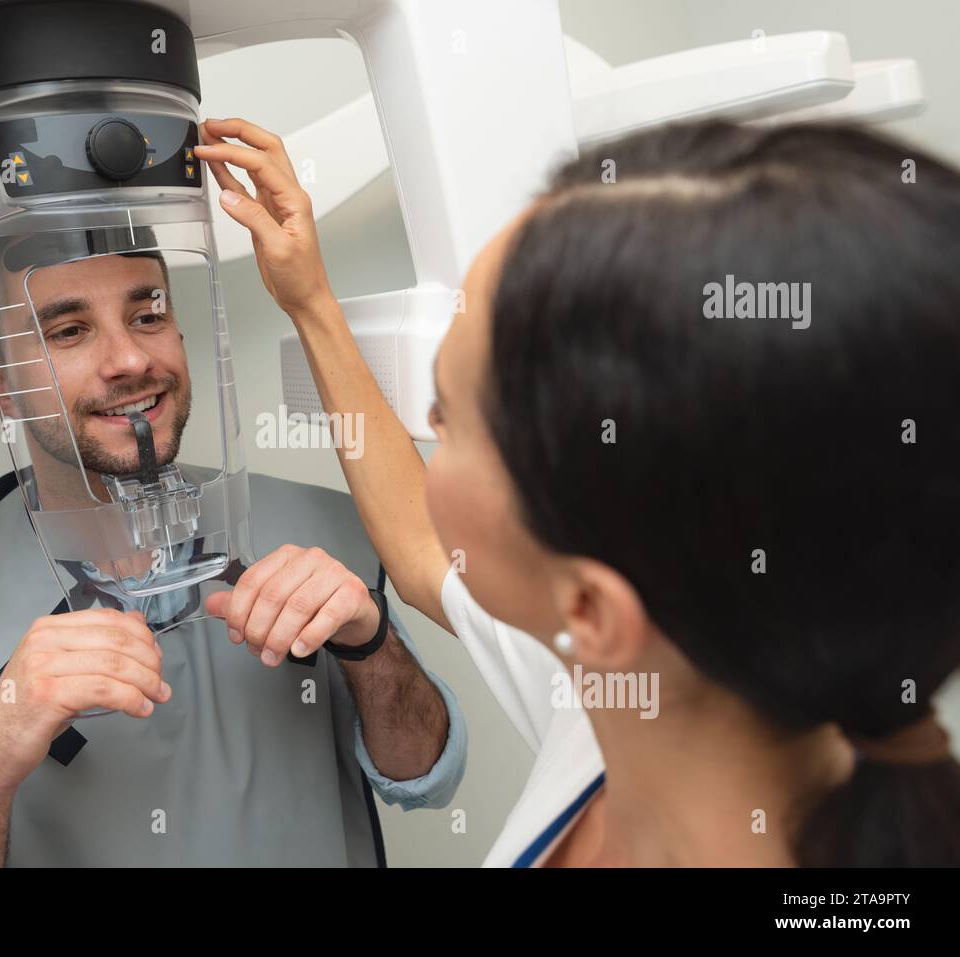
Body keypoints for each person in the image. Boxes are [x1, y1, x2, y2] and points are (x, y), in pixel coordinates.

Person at [197, 116, 960, 866]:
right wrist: (311, 301)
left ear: (591, 608)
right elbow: (424, 544)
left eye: (451, 418)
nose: (425, 423)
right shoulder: (635, 682)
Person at [0, 224, 468, 867]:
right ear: (1, 388)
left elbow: (424, 778)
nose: (132, 359)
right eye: (71, 330)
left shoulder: (315, 532)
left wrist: (370, 645)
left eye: (148, 315)